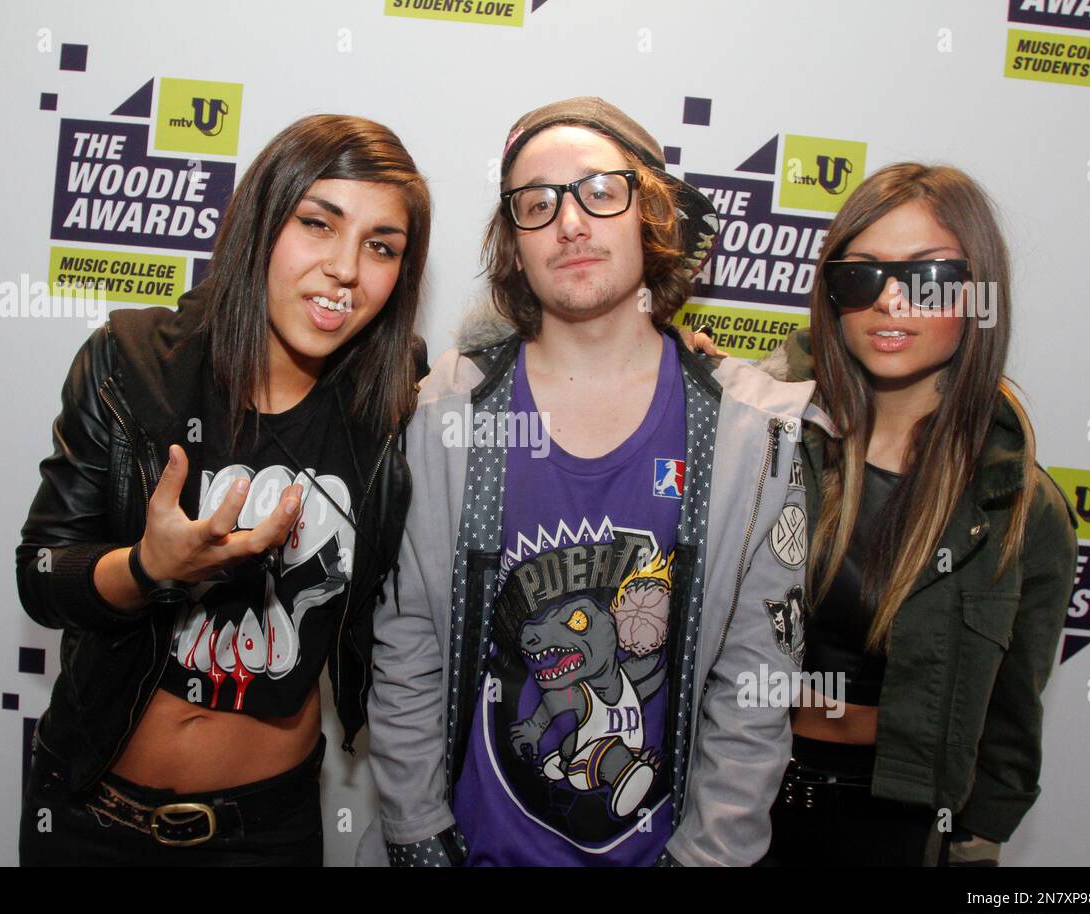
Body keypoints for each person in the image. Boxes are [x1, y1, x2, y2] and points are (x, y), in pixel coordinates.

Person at [357, 96, 833, 867]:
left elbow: (754, 688)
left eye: (599, 192)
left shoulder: (751, 432)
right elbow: (407, 646)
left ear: (651, 215)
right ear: (513, 242)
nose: (569, 223)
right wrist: (417, 839)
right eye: (536, 204)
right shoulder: (448, 411)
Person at [16, 114, 430, 865]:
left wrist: (666, 356)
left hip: (265, 834)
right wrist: (148, 570)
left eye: (381, 247)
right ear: (260, 223)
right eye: (317, 223)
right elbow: (42, 577)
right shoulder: (132, 364)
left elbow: (546, 384)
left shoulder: (400, 402)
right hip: (89, 818)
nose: (346, 268)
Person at [736, 163, 1077, 865]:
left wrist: (977, 844)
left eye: (927, 278)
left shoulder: (1017, 509)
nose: (891, 301)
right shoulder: (762, 441)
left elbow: (1011, 721)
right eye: (860, 277)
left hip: (894, 827)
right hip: (734, 795)